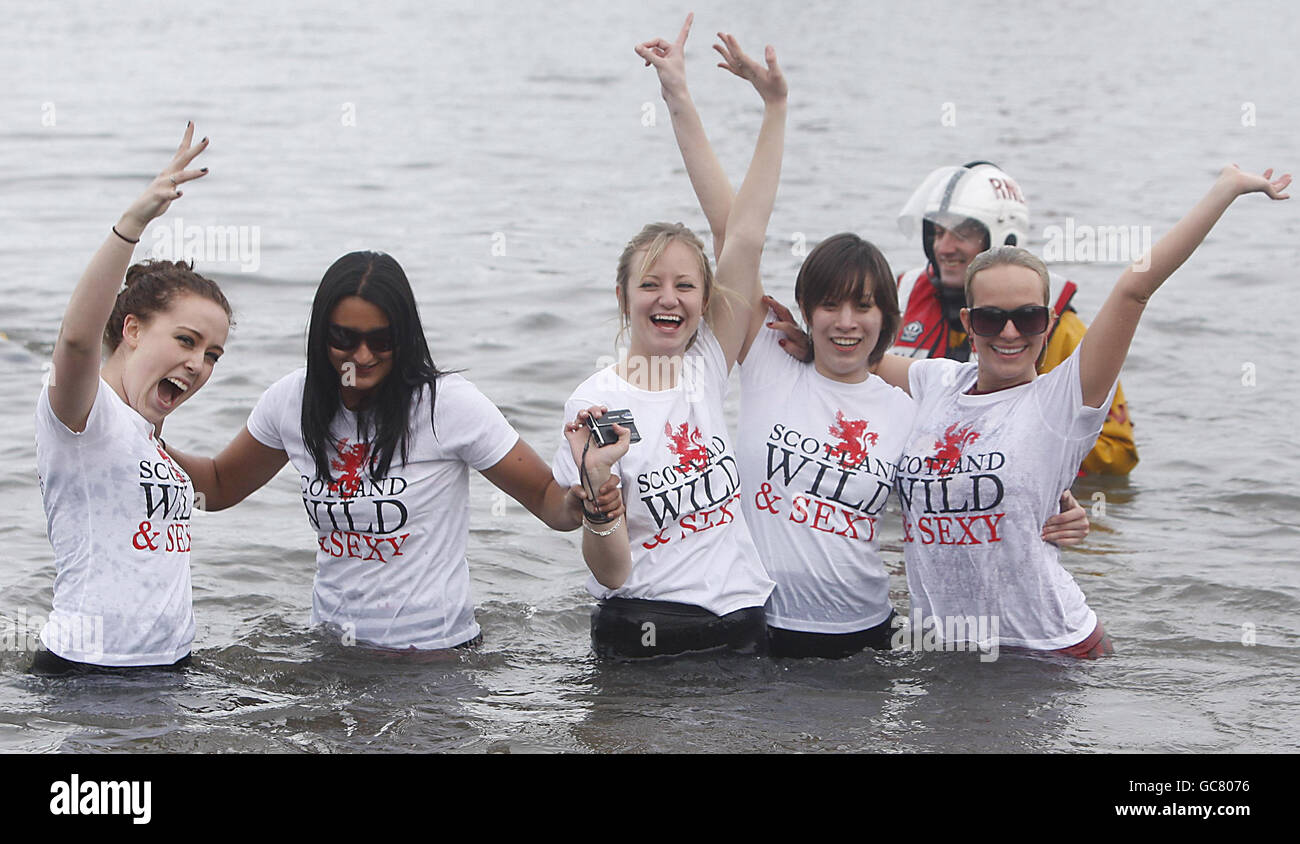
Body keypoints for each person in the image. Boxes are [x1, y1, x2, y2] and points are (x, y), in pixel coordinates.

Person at [636, 16, 1088, 660]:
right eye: (829, 306)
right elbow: (737, 232)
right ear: (804, 311)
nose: (846, 322)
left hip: (865, 643)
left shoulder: (914, 407)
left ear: (887, 319)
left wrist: (1056, 504)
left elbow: (978, 484)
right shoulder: (768, 357)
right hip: (760, 627)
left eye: (865, 307)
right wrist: (699, 95)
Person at [780, 164, 1288, 658]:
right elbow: (853, 354)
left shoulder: (1061, 401)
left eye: (1027, 318)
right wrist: (788, 335)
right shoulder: (936, 382)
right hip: (946, 653)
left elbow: (1136, 288)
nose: (1008, 332)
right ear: (968, 321)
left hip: (1047, 651)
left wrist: (1225, 190)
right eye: (990, 318)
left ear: (1047, 322)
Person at [166, 251, 622, 653]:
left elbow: (548, 502)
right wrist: (146, 436)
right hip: (332, 653)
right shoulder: (291, 401)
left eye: (381, 341)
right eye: (344, 338)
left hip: (436, 655)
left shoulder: (447, 405)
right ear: (321, 334)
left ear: (404, 338)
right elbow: (219, 486)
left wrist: (586, 497)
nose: (361, 356)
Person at [551, 28, 786, 659]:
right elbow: (610, 572)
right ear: (623, 296)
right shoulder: (599, 404)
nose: (669, 298)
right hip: (645, 639)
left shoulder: (707, 362)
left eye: (686, 285)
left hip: (741, 629)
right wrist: (600, 496)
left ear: (704, 301)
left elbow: (743, 236)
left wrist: (765, 107)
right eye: (650, 284)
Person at [34, 123, 228, 672]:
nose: (198, 363)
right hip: (89, 672)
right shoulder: (83, 413)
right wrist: (132, 224)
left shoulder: (147, 431)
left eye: (213, 354)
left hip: (169, 668)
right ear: (134, 329)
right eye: (186, 340)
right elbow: (75, 339)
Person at [893, 162, 1139, 476]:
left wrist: (1030, 446)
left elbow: (1118, 453)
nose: (944, 247)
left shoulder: (1060, 329)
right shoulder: (902, 300)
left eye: (962, 233)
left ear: (1002, 237)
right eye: (938, 233)